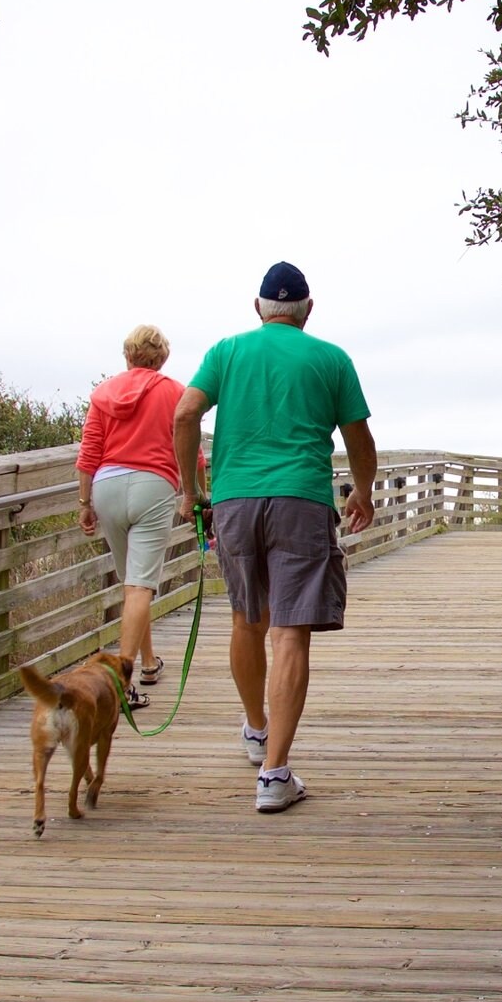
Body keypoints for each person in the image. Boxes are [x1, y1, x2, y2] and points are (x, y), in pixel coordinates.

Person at [174, 261, 375, 813]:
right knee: (289, 633)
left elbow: (186, 411)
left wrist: (191, 490)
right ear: (308, 309)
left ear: (258, 308)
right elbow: (358, 435)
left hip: (235, 500)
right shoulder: (331, 358)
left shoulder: (227, 352)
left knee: (246, 619)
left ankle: (256, 729)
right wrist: (362, 491)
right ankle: (274, 775)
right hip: (301, 499)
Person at [77, 324, 191, 712]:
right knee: (141, 587)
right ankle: (121, 686)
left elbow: (89, 450)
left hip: (106, 485)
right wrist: (195, 493)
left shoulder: (103, 392)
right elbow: (191, 450)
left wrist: (84, 502)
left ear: (127, 356)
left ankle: (147, 663)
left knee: (132, 583)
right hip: (153, 485)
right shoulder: (175, 392)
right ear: (161, 360)